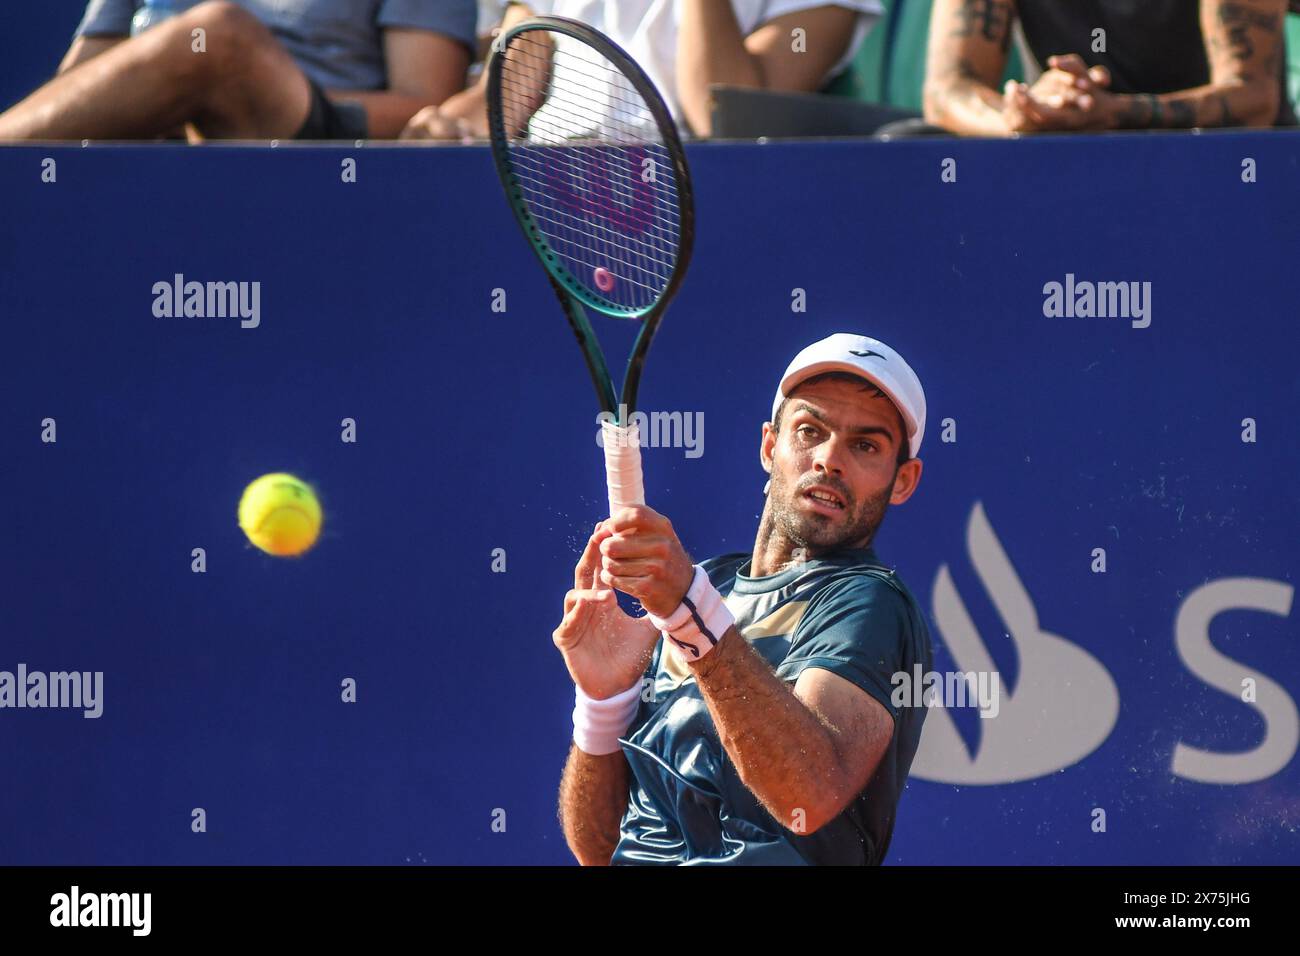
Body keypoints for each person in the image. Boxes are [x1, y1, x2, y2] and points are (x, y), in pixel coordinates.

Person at [553, 333, 933, 865]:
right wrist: (604, 702)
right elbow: (602, 848)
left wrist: (692, 618)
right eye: (809, 430)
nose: (829, 459)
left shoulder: (867, 604)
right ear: (768, 445)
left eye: (865, 445)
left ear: (903, 481)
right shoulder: (709, 587)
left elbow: (807, 794)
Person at [401, 0, 884, 140]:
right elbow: (499, 102)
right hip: (553, 196)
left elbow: (729, 117)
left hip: (701, 203)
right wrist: (453, 124)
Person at [0, 0, 476, 142]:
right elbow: (77, 90)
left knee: (217, 37)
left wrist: (229, 93)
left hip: (312, 139)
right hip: (150, 150)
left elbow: (428, 108)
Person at [921, 0, 1295, 136]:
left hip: (1215, 168)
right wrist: (1018, 116)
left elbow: (1252, 99)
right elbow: (947, 90)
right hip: (1056, 156)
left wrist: (1114, 113)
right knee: (909, 140)